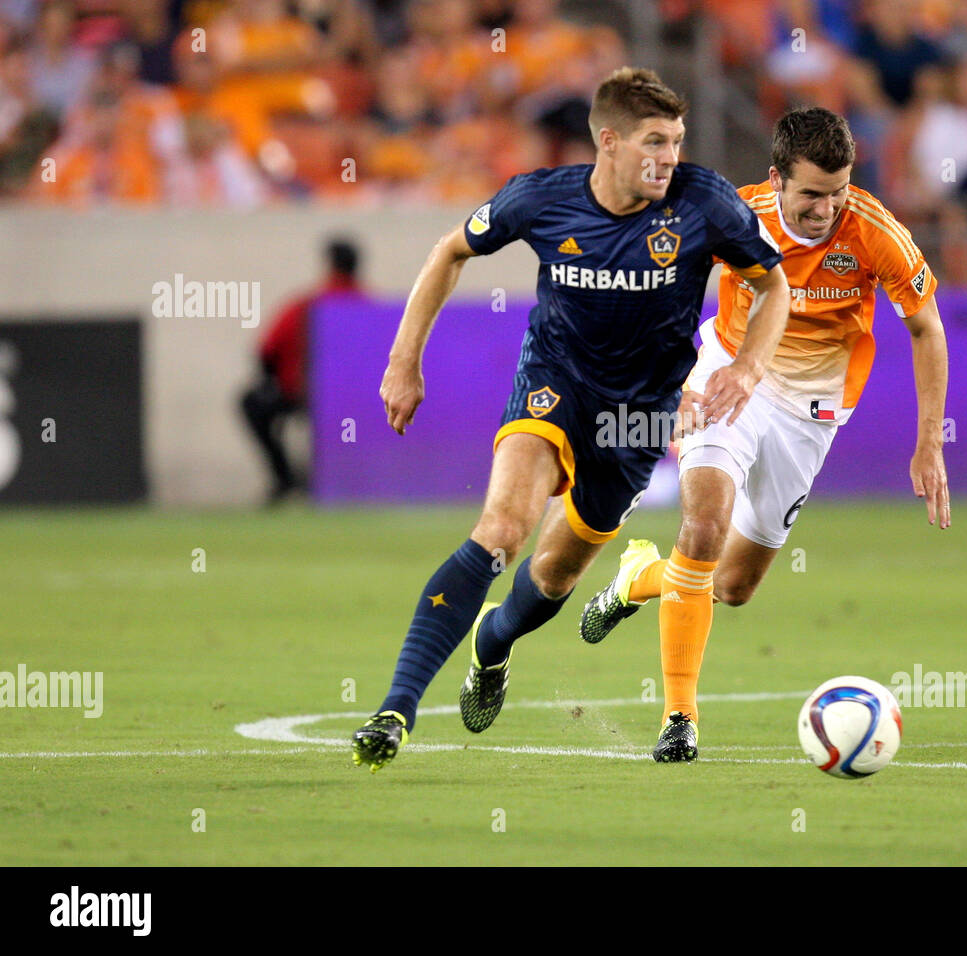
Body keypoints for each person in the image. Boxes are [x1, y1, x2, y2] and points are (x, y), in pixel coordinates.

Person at [350, 67, 790, 772]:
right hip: (554, 389)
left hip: (640, 419)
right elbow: (450, 251)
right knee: (500, 531)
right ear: (608, 143)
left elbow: (776, 285)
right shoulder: (542, 198)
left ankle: (492, 646)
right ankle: (395, 711)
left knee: (553, 579)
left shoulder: (702, 203)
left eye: (675, 141)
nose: (669, 157)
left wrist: (748, 367)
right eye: (654, 141)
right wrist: (404, 363)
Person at [579, 107, 951, 761]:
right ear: (777, 178)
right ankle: (679, 719)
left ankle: (638, 578)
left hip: (811, 415)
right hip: (729, 380)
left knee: (733, 585)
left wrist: (929, 443)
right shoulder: (731, 215)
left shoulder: (872, 232)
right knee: (703, 523)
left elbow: (927, 329)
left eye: (837, 192)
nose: (826, 208)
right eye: (811, 193)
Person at [240, 237, 361, 502]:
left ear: (329, 264)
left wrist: (275, 379)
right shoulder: (368, 308)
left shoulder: (306, 304)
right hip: (354, 401)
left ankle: (285, 479)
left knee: (251, 404)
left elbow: (266, 350)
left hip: (299, 394)